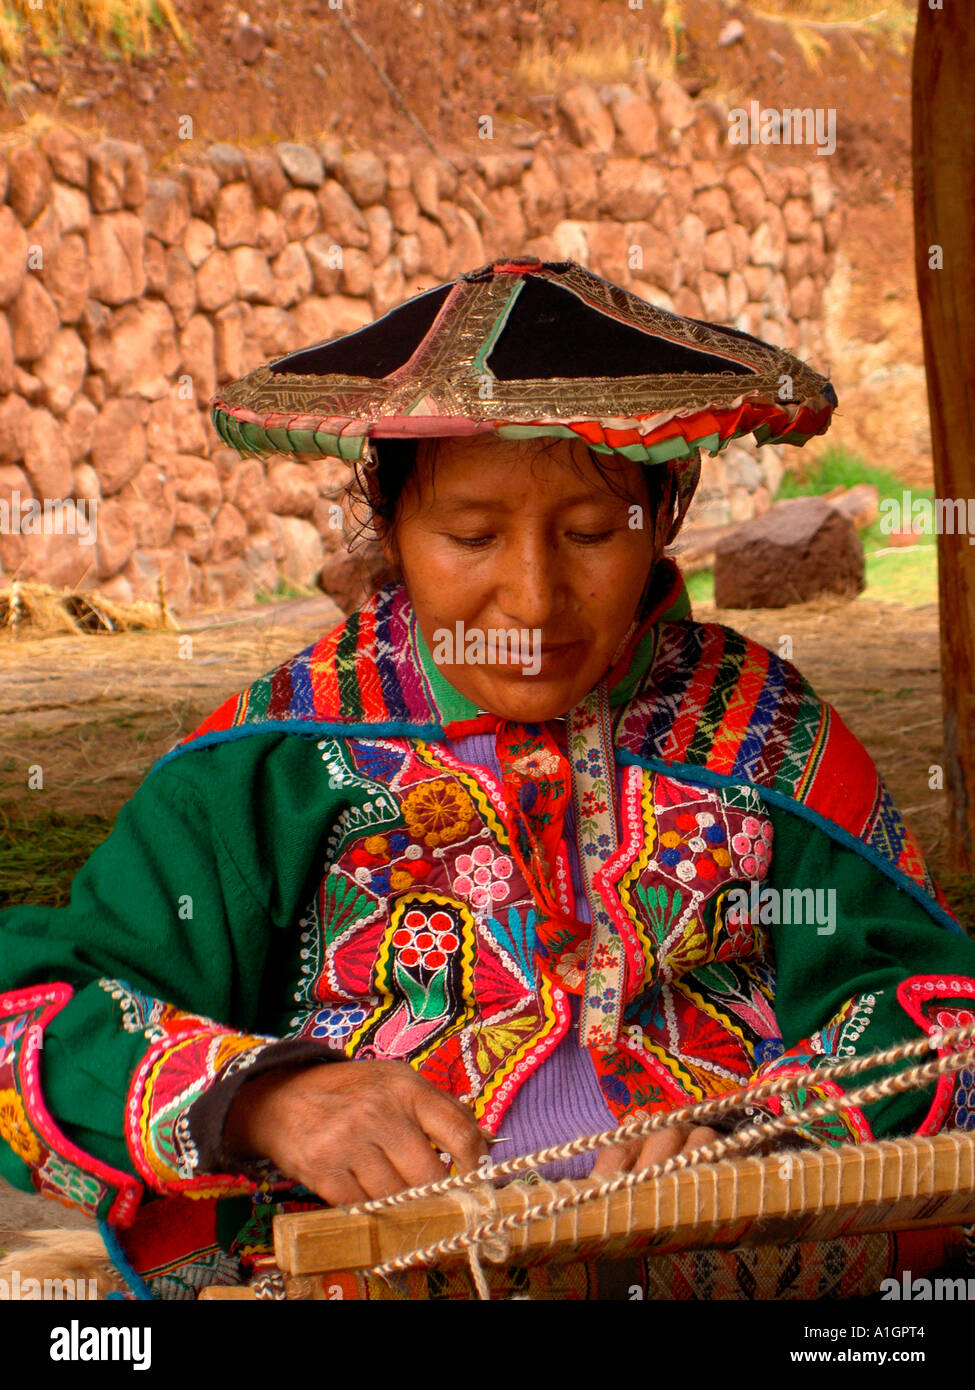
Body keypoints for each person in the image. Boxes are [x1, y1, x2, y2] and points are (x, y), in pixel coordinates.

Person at [1, 257, 974, 1302]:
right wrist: (268, 1102)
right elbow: (31, 1019)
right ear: (388, 527)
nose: (534, 597)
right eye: (471, 536)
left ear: (665, 516)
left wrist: (762, 1131)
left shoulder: (761, 733)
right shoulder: (271, 765)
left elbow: (931, 1010)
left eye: (593, 534)